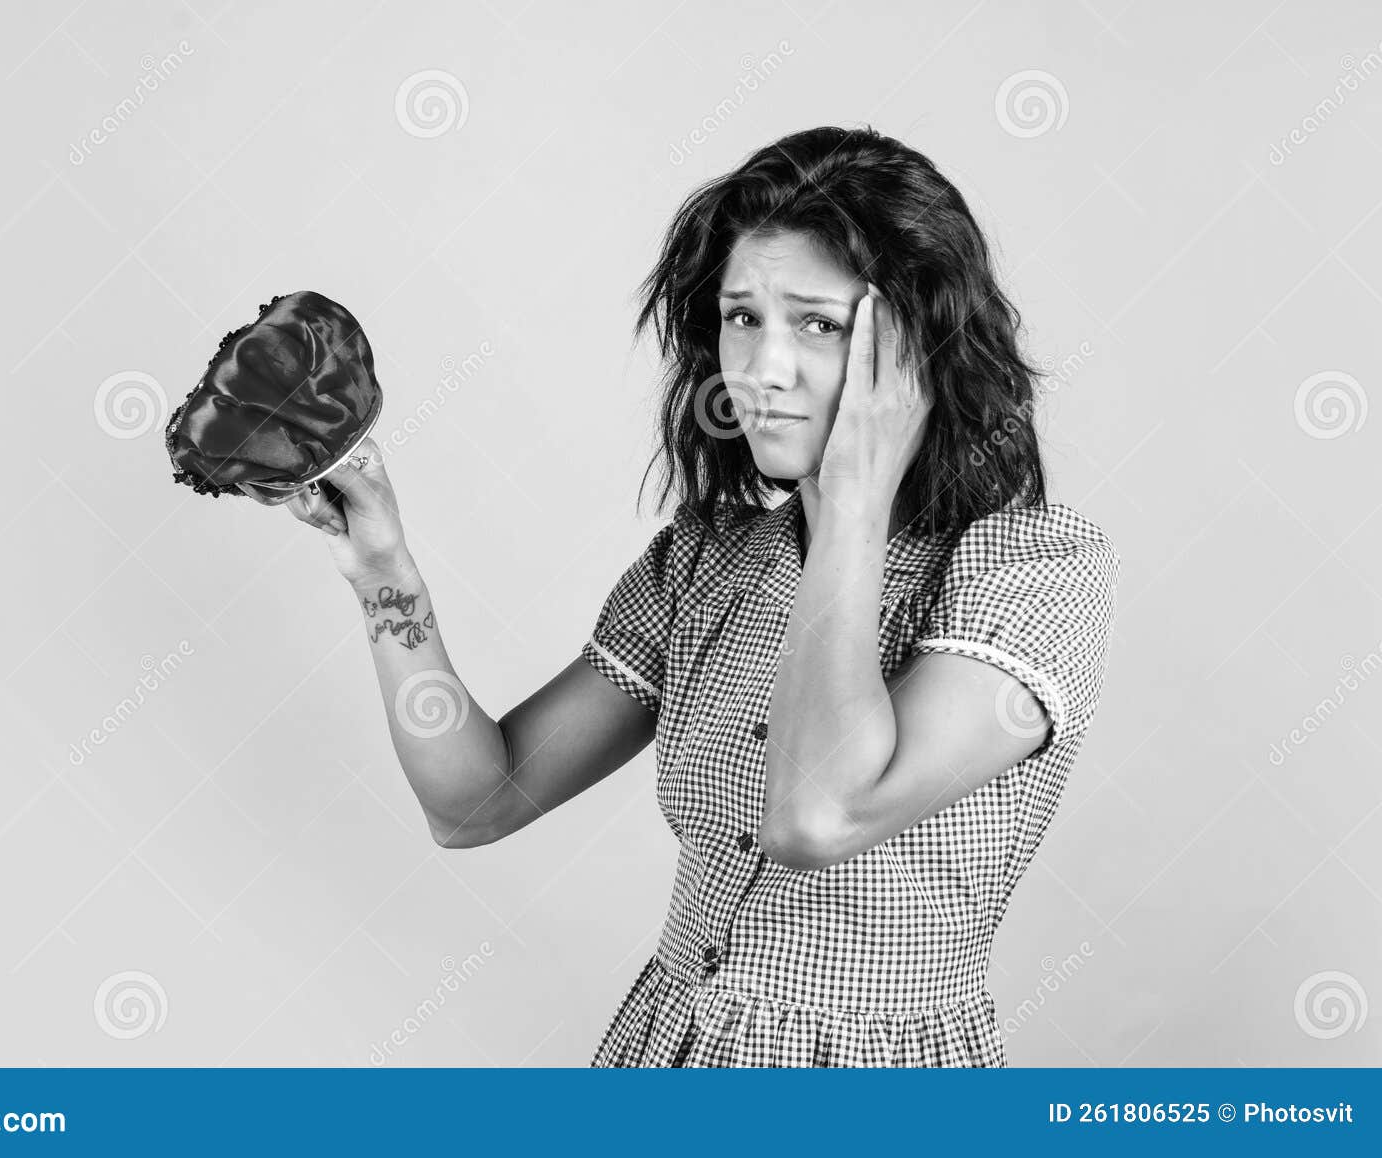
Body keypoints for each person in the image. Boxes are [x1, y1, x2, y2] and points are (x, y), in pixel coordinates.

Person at [238, 125, 1120, 1067]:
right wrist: (382, 569)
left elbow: (816, 817)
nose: (761, 369)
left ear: (916, 353)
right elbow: (475, 803)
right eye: (743, 317)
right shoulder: (707, 561)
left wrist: (854, 500)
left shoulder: (1034, 571)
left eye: (818, 323)